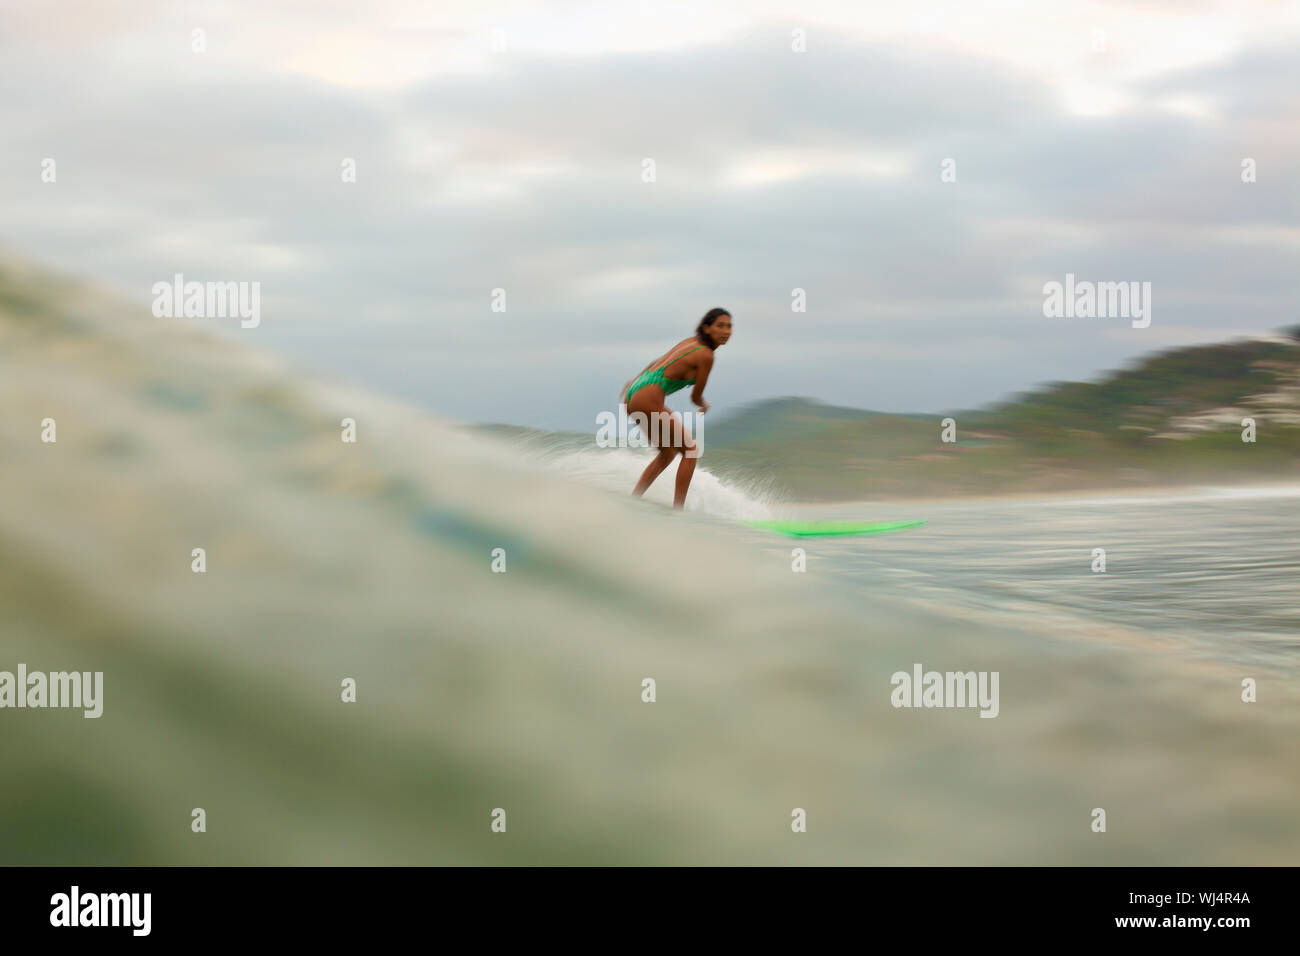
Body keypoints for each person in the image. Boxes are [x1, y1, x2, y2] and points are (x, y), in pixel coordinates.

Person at [620, 308, 732, 508]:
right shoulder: (706, 355)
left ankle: (634, 500)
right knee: (691, 450)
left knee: (668, 453)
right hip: (648, 397)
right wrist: (704, 405)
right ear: (707, 328)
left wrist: (634, 382)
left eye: (729, 326)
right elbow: (695, 396)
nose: (726, 331)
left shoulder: (691, 342)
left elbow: (656, 362)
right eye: (720, 326)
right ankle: (678, 511)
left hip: (636, 393)